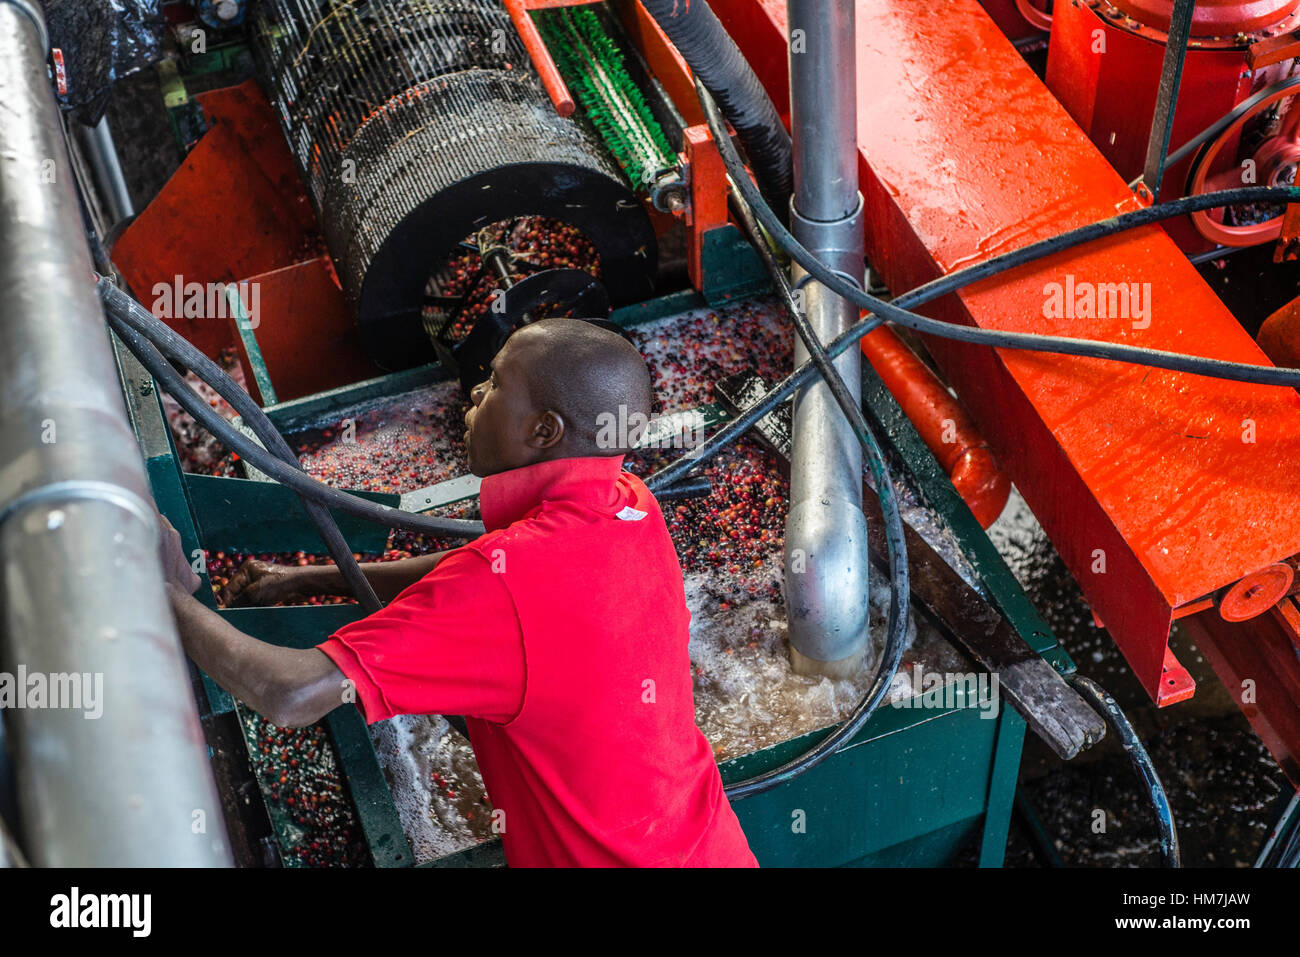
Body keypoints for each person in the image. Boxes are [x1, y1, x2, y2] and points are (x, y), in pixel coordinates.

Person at [160, 317, 758, 868]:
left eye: (495, 383)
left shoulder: (510, 582)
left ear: (544, 430)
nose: (475, 393)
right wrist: (311, 576)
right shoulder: (631, 502)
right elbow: (490, 571)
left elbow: (288, 692)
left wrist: (163, 595)